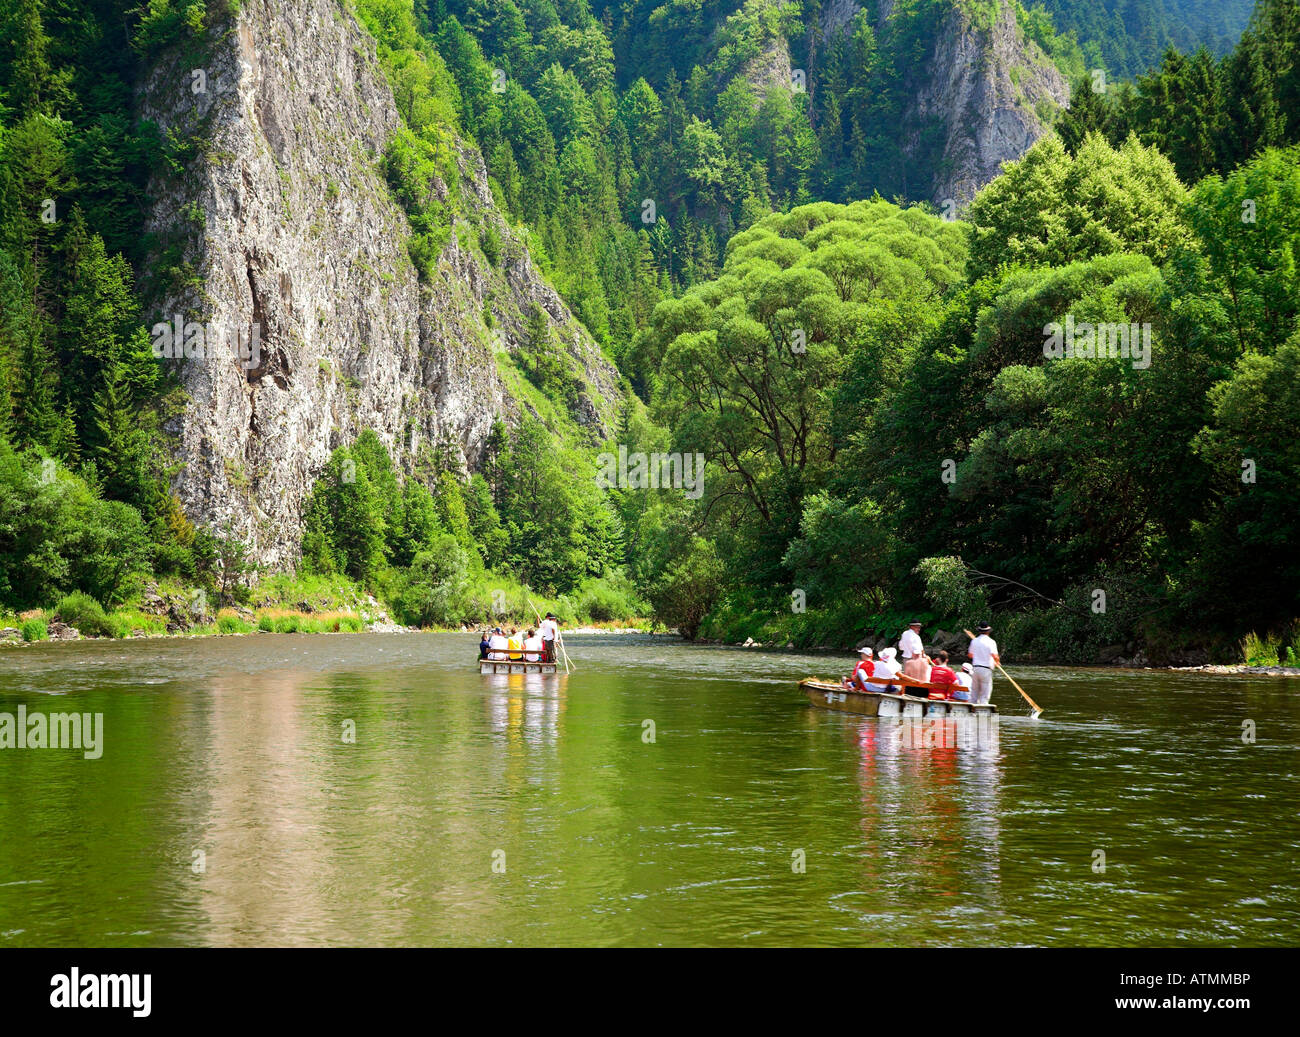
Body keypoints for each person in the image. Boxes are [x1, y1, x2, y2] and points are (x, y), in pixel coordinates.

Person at [967, 622, 1000, 704]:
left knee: (974, 692)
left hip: (975, 669)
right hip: (985, 670)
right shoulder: (991, 642)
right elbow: (995, 656)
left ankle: (972, 710)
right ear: (988, 631)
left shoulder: (974, 641)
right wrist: (997, 662)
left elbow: (970, 655)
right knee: (985, 694)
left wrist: (979, 655)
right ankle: (983, 710)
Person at [899, 620, 930, 685]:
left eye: (919, 627)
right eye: (917, 627)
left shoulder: (904, 634)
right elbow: (918, 651)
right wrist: (924, 657)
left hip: (905, 659)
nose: (919, 629)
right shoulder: (916, 637)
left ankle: (905, 690)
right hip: (915, 659)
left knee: (906, 678)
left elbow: (900, 647)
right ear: (912, 627)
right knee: (916, 679)